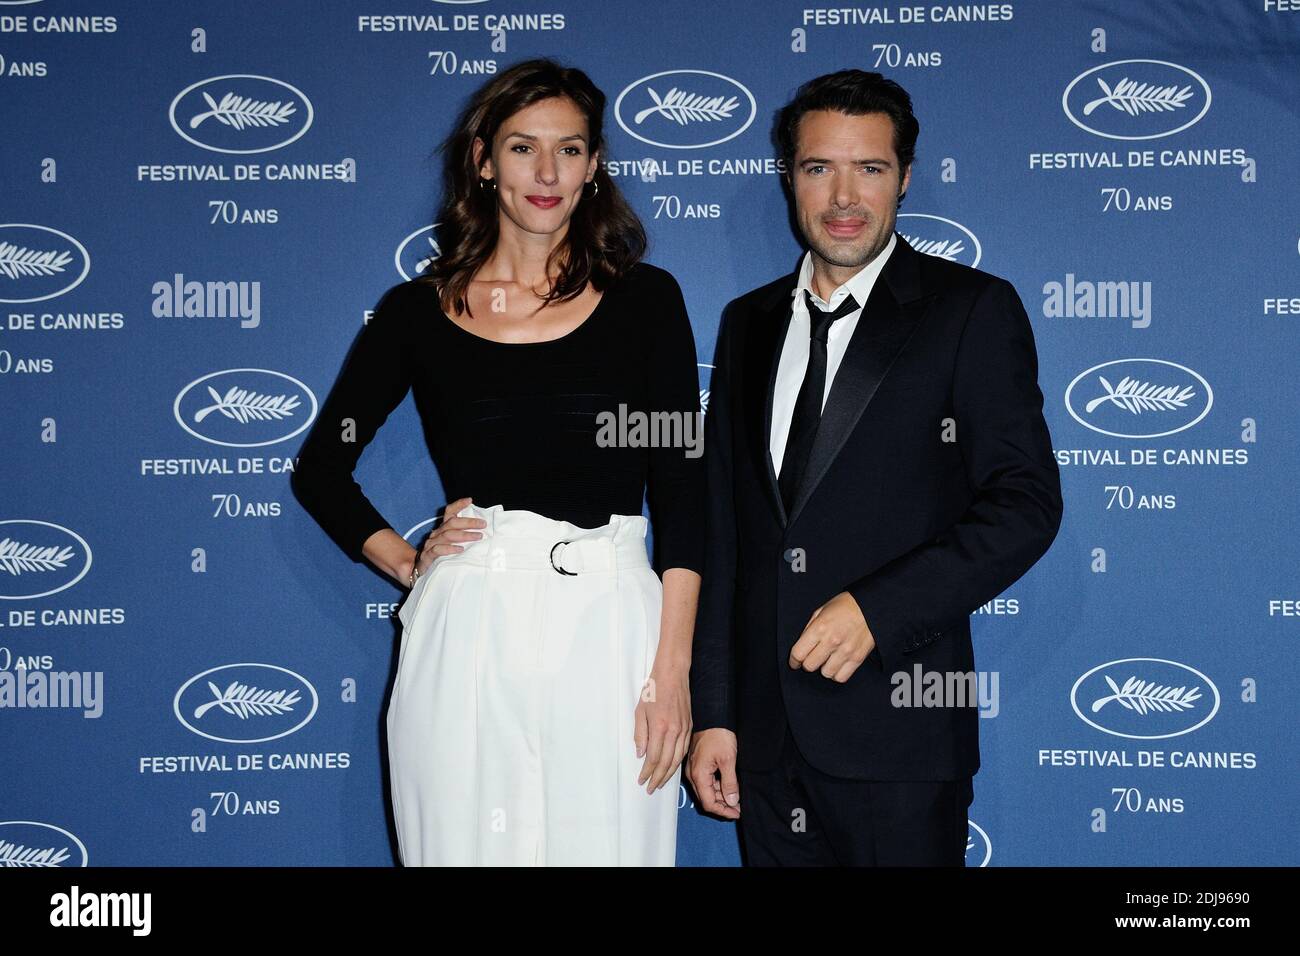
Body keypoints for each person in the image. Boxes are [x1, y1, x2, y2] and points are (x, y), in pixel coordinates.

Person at [291, 58, 703, 866]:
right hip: (470, 619)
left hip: (614, 615)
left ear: (594, 166)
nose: (547, 173)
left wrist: (671, 673)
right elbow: (322, 469)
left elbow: (686, 497)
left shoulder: (646, 302)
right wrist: (411, 564)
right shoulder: (419, 311)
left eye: (571, 149)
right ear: (483, 162)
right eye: (523, 148)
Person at [687, 70, 1063, 866]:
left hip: (899, 736)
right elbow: (724, 533)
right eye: (820, 167)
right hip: (763, 744)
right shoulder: (745, 324)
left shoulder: (970, 310)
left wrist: (878, 611)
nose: (844, 196)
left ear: (906, 178)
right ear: (788, 175)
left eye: (872, 168)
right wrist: (714, 711)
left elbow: (1025, 503)